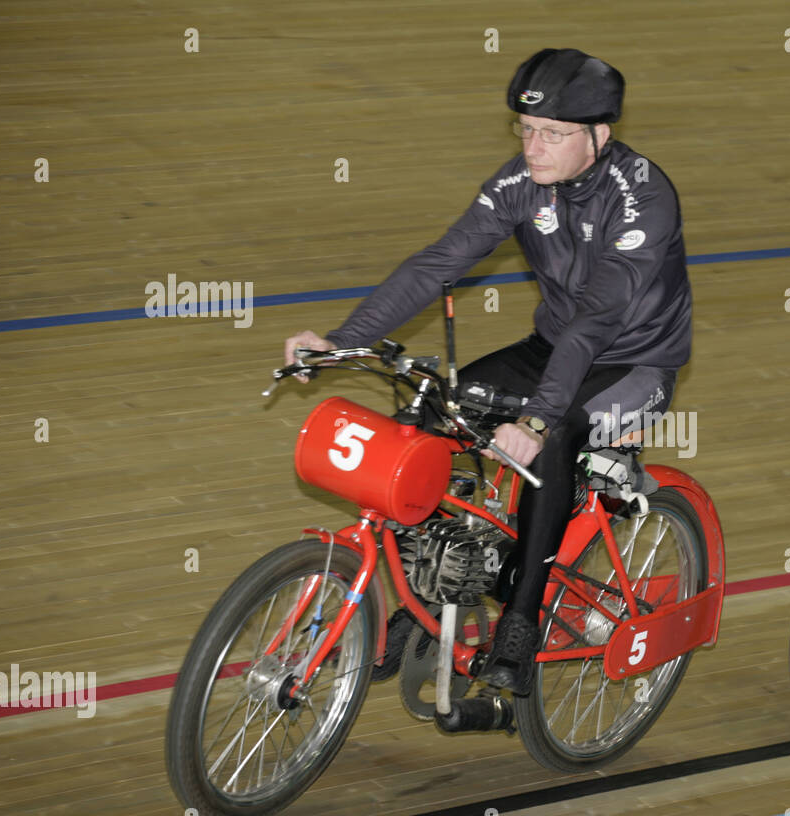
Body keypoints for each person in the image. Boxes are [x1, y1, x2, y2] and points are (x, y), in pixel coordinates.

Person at [284, 48, 692, 695]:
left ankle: (521, 625)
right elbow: (437, 263)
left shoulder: (642, 197)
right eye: (526, 131)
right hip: (552, 347)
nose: (534, 147)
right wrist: (343, 341)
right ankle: (431, 603)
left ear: (599, 136)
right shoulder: (520, 184)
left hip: (634, 364)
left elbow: (594, 319)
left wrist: (536, 417)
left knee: (549, 442)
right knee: (426, 418)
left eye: (553, 135)